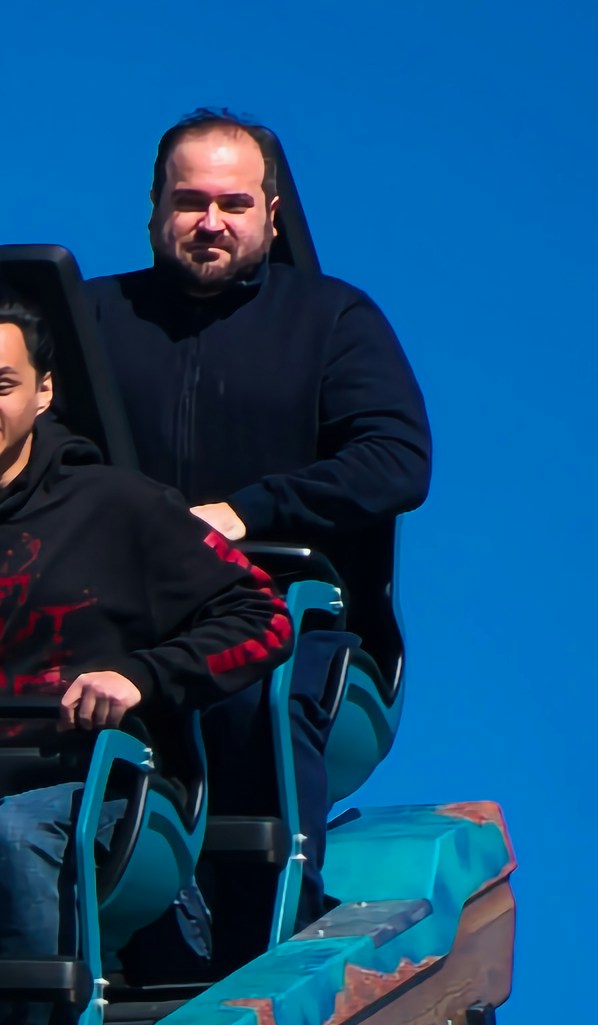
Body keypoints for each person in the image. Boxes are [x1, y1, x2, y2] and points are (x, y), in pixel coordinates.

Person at [0, 288, 294, 1025]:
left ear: (42, 391)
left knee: (17, 836)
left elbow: (263, 617)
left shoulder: (121, 507)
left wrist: (140, 674)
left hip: (106, 784)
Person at [85, 109, 431, 658]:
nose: (211, 221)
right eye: (190, 202)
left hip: (280, 613)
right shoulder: (88, 317)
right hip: (98, 609)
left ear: (272, 216)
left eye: (234, 204)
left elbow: (394, 460)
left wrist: (246, 512)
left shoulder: (331, 317)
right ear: (155, 209)